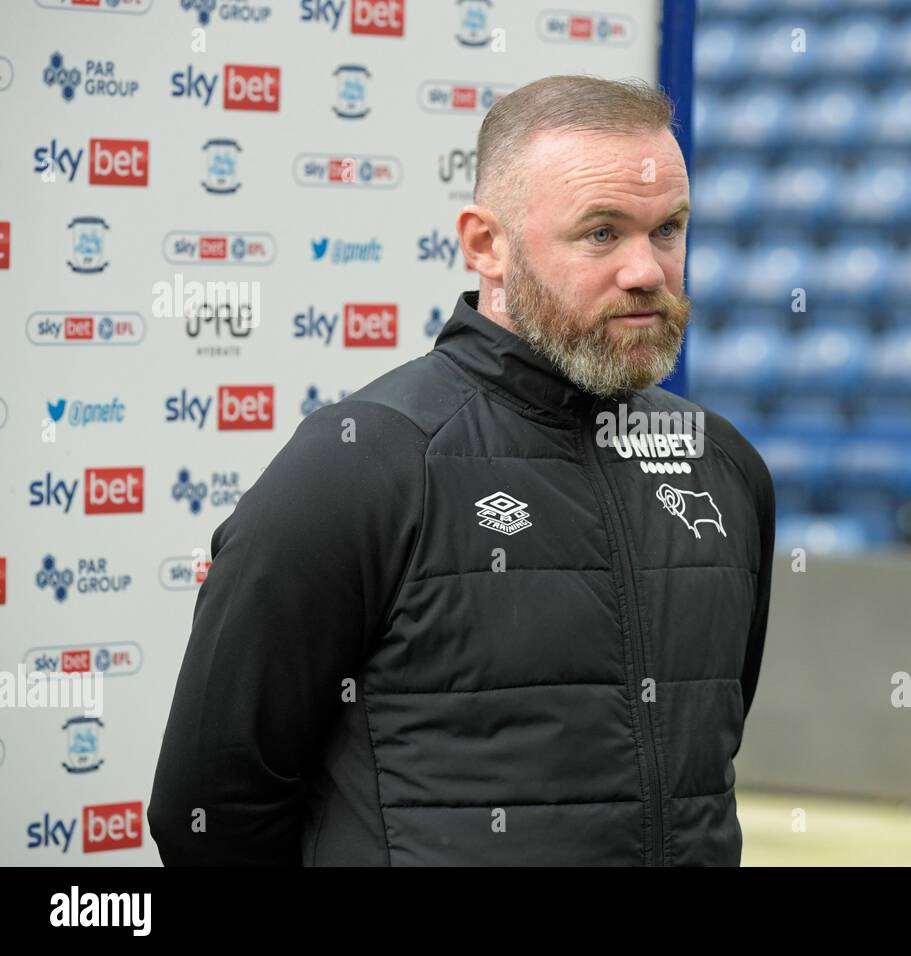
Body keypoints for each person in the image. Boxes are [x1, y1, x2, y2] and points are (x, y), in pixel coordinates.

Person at [147, 74, 775, 866]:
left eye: (669, 229)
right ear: (487, 244)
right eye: (602, 233)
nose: (648, 270)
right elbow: (206, 810)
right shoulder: (363, 463)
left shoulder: (723, 466)